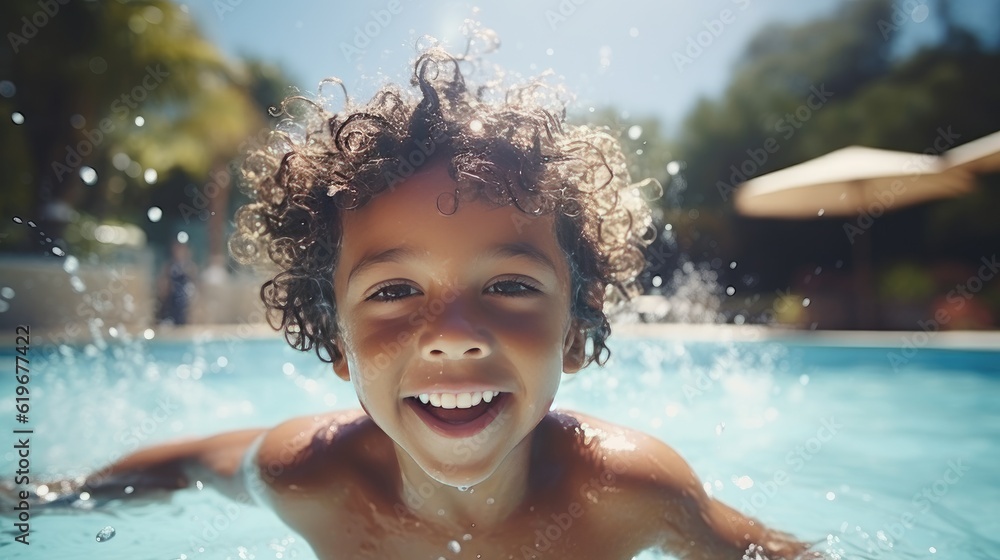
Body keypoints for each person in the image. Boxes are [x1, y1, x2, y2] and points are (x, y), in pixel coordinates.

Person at [13, 47, 818, 559]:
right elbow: (188, 462)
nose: (453, 336)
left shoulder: (629, 493)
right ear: (336, 341)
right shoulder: (311, 477)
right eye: (394, 291)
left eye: (509, 286)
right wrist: (46, 499)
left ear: (577, 329)